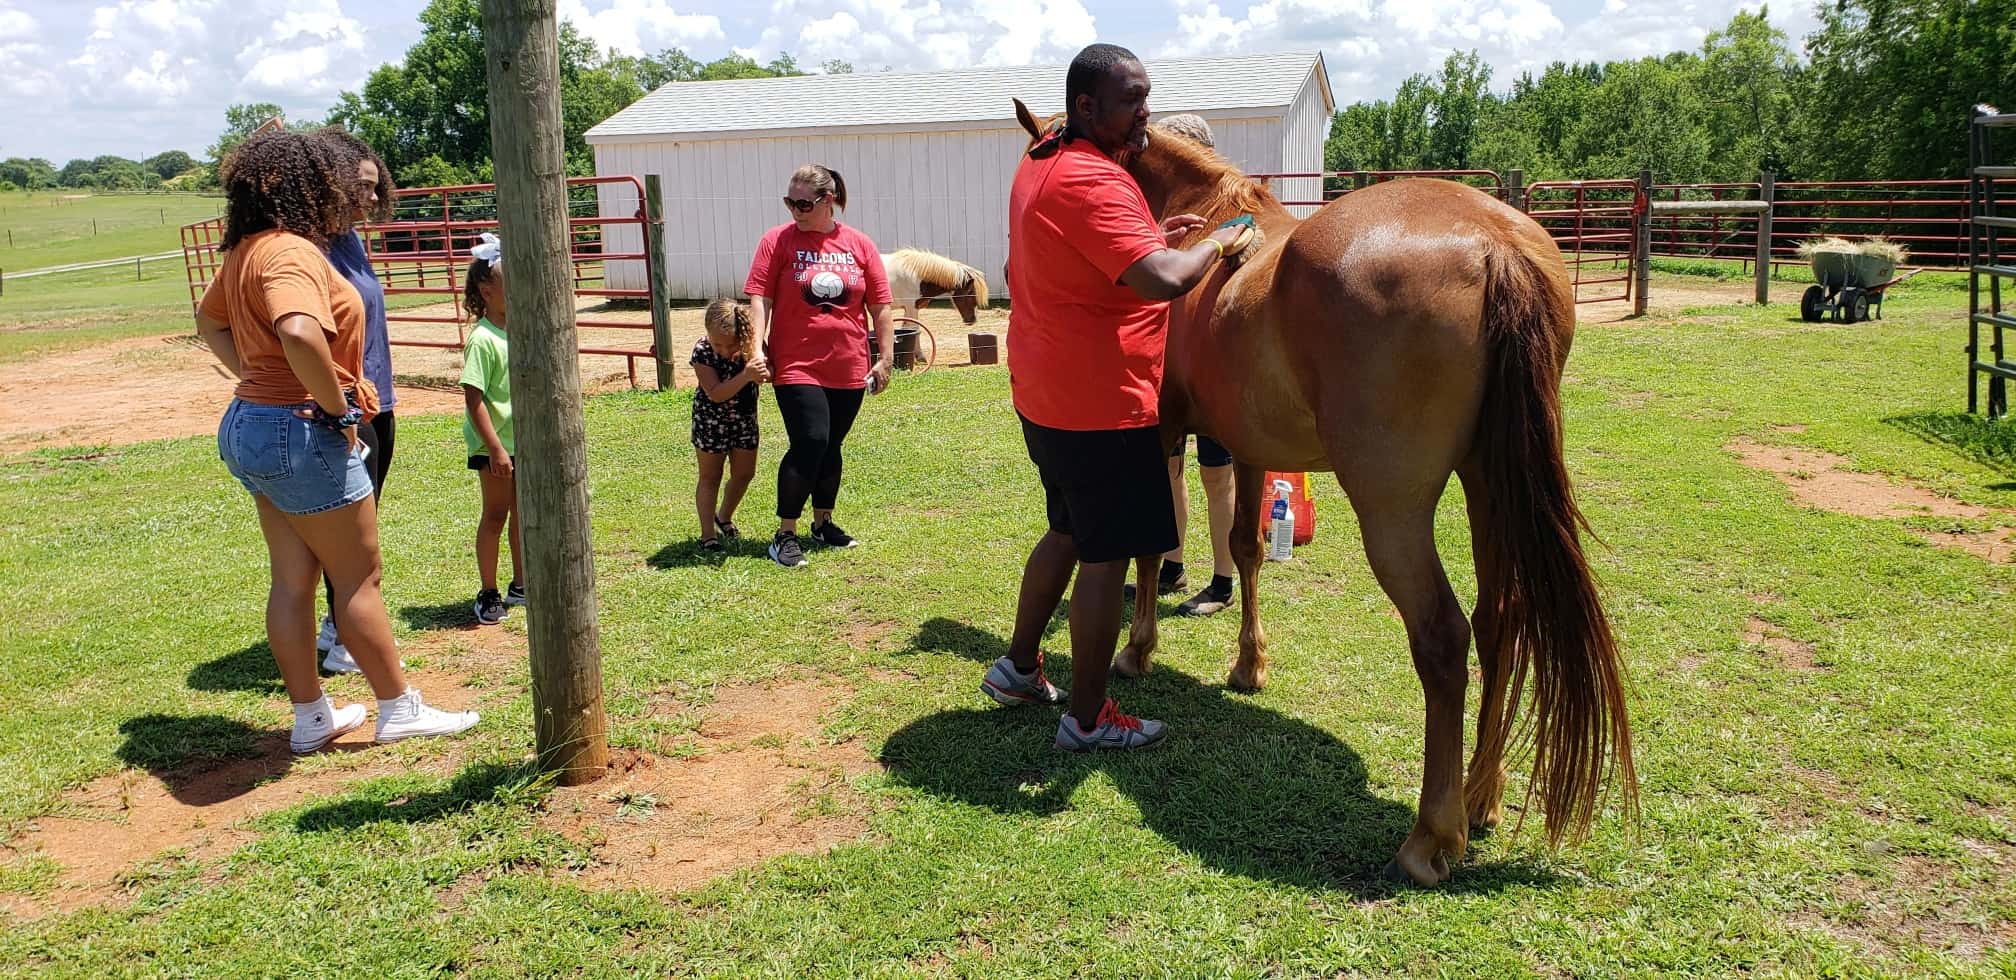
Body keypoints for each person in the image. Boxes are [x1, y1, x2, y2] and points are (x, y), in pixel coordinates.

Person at [979, 44, 1249, 750]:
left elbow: (1082, 252)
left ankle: (1018, 667)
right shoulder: (1095, 179)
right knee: (1104, 557)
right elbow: (1162, 280)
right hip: (1100, 401)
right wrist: (1220, 243)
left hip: (1046, 391)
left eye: (1146, 96)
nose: (1146, 116)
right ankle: (1091, 718)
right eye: (1131, 100)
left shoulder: (1040, 159)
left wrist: (1147, 239)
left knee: (1068, 530)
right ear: (1086, 107)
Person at [195, 131, 478, 753]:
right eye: (329, 179)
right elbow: (299, 331)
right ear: (302, 184)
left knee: (292, 580)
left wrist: (254, 378)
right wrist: (340, 406)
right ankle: (398, 707)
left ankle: (312, 717)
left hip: (253, 424)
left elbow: (209, 320)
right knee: (358, 578)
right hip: (302, 427)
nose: (346, 192)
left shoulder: (248, 248)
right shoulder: (293, 253)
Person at [744, 163, 895, 568]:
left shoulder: (859, 245)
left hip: (848, 363)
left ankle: (823, 522)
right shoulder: (776, 242)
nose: (796, 209)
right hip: (796, 363)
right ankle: (784, 534)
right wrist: (757, 345)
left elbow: (880, 306)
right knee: (810, 439)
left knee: (831, 445)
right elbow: (760, 297)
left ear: (828, 201)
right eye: (790, 202)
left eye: (804, 203)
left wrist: (884, 357)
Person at [1124, 113, 1238, 618]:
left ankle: (1223, 578)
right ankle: (1172, 565)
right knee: (1170, 473)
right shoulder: (1157, 224)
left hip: (1210, 367)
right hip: (1167, 369)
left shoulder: (1232, 219)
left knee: (1218, 476)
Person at [313, 127, 402, 672]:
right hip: (341, 405)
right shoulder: (306, 244)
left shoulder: (349, 238)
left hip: (377, 400)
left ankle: (336, 626)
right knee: (348, 530)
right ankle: (346, 632)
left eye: (374, 187)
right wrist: (338, 406)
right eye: (360, 187)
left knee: (363, 518)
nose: (371, 197)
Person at [459, 233, 523, 626]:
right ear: (487, 290)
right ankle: (488, 590)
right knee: (496, 515)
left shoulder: (519, 330)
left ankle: (521, 583)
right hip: (496, 446)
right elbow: (473, 399)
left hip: (524, 442)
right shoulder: (482, 339)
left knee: (524, 516)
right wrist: (495, 448)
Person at [692, 298, 768, 550]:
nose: (724, 350)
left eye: (730, 344)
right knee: (710, 476)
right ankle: (707, 535)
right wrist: (746, 375)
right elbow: (715, 393)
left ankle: (723, 516)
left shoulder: (752, 347)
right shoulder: (703, 351)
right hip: (710, 420)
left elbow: (772, 372)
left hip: (744, 419)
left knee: (745, 474)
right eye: (718, 344)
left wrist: (764, 371)